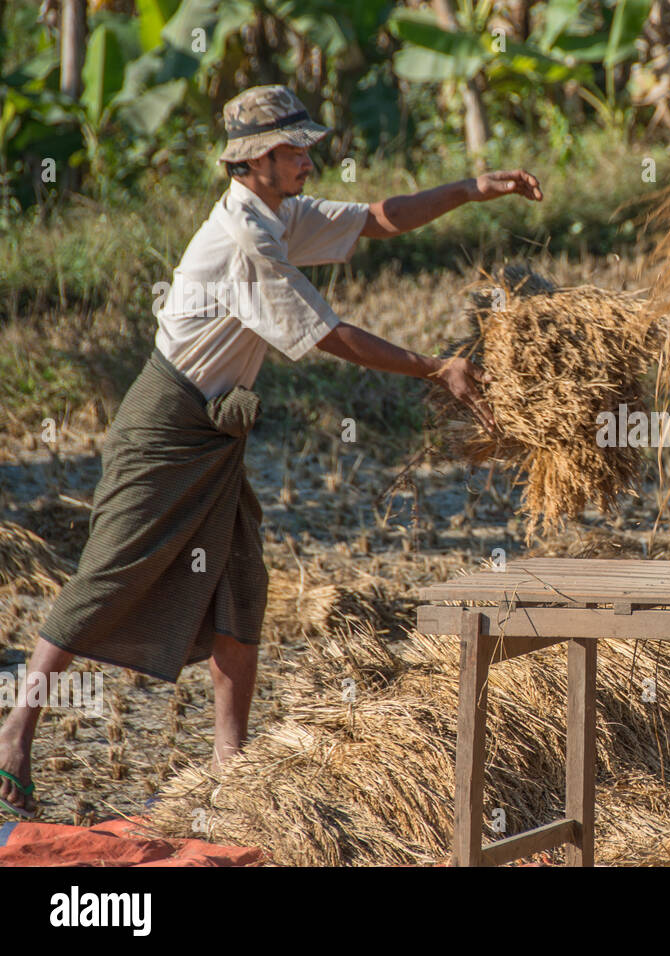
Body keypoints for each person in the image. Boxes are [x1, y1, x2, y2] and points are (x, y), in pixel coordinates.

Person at [0, 85, 543, 818]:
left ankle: (230, 759)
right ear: (256, 161)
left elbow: (376, 218)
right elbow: (325, 334)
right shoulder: (246, 241)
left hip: (213, 433)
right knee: (110, 575)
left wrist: (474, 190)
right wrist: (431, 366)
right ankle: (16, 730)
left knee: (240, 583)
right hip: (165, 428)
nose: (308, 162)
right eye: (296, 151)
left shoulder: (278, 214)